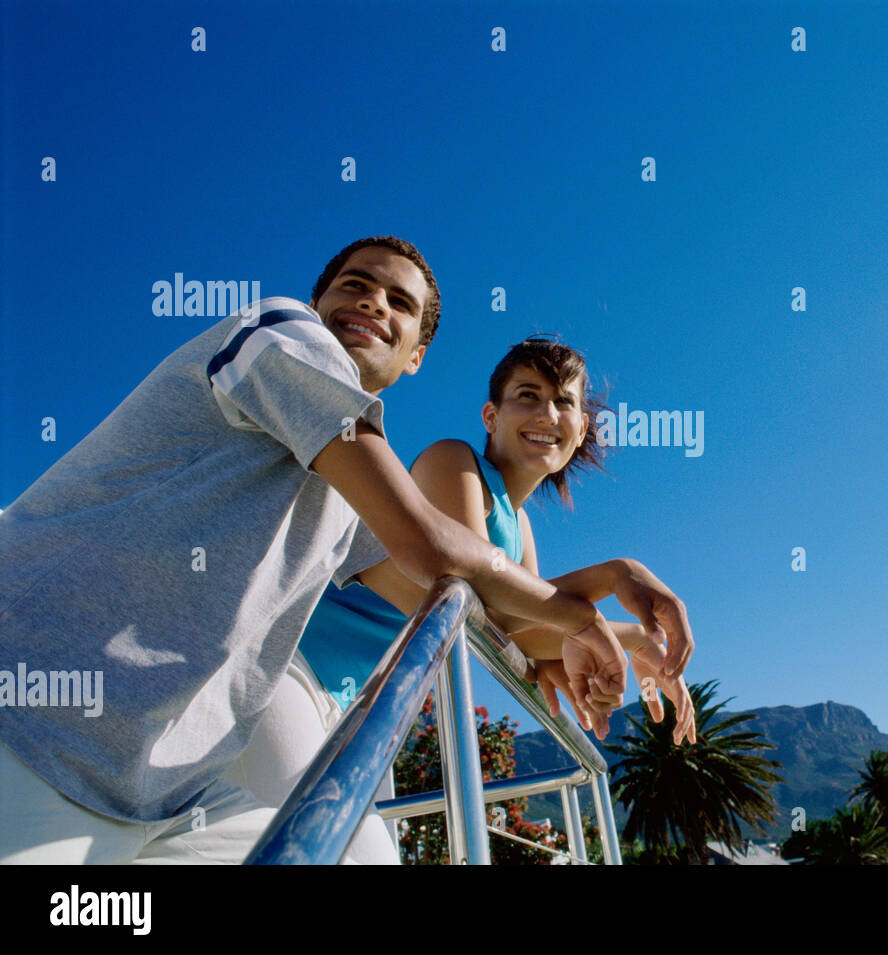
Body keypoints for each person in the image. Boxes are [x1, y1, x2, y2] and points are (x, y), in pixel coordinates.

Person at [0, 236, 692, 864]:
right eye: (355, 285)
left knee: (359, 854)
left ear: (417, 355)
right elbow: (433, 552)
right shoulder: (280, 333)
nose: (372, 303)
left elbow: (472, 603)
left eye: (399, 301)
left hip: (167, 791)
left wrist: (607, 640)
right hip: (35, 733)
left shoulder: (342, 493)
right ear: (315, 303)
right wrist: (603, 592)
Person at [230, 337, 696, 863]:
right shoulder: (455, 461)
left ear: (581, 427)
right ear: (491, 416)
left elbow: (511, 630)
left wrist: (589, 647)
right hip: (288, 674)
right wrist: (621, 588)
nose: (548, 412)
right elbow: (482, 600)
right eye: (528, 395)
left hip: (349, 708)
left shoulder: (518, 526)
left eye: (565, 401)